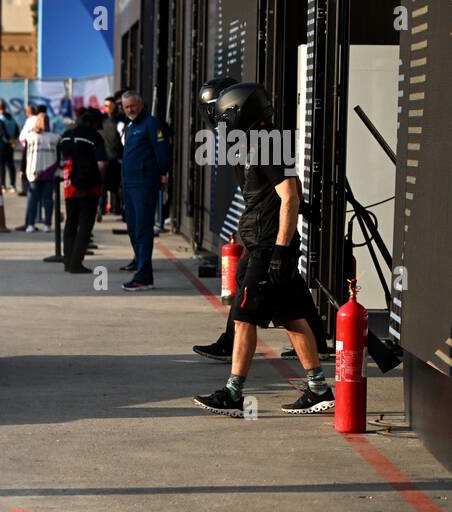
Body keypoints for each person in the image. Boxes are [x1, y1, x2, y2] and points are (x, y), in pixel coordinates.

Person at [194, 82, 334, 415]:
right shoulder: (260, 140)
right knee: (293, 318)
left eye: (226, 115)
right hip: (263, 244)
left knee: (243, 319)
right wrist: (302, 203)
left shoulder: (267, 144)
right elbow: (291, 187)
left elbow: (287, 195)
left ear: (242, 112)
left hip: (269, 247)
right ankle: (318, 389)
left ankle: (233, 394)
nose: (222, 121)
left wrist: (281, 252)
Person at [118, 91, 171, 291]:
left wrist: (162, 175)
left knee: (142, 230)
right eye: (126, 107)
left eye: (132, 106)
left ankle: (143, 276)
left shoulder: (151, 124)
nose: (130, 109)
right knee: (133, 229)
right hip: (130, 185)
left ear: (140, 104)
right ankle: (141, 270)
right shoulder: (130, 127)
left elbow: (163, 154)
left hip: (144, 185)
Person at [58, 109, 108, 273]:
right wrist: (101, 182)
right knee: (86, 224)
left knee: (71, 222)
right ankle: (76, 263)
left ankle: (67, 261)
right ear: (93, 123)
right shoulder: (94, 137)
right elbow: (101, 164)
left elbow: (60, 160)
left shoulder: (65, 135)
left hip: (69, 185)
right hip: (89, 186)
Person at [21, 107, 59, 232]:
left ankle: (31, 224)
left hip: (33, 171)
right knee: (48, 199)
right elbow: (58, 156)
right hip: (49, 171)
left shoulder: (30, 137)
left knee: (33, 199)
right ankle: (48, 224)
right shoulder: (55, 138)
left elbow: (24, 155)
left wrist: (22, 170)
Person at [98, 96, 124, 216]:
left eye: (108, 105)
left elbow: (123, 142)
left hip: (113, 158)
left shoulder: (119, 123)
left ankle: (113, 208)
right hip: (107, 158)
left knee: (114, 185)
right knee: (106, 185)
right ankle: (104, 207)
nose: (105, 108)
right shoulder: (103, 122)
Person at [0, 100, 20, 192]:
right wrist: (13, 140)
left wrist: (7, 139)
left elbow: (2, 131)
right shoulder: (11, 118)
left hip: (2, 144)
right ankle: (13, 185)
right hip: (11, 144)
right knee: (10, 164)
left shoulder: (0, 119)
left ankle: (3, 185)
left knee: (1, 165)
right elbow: (17, 130)